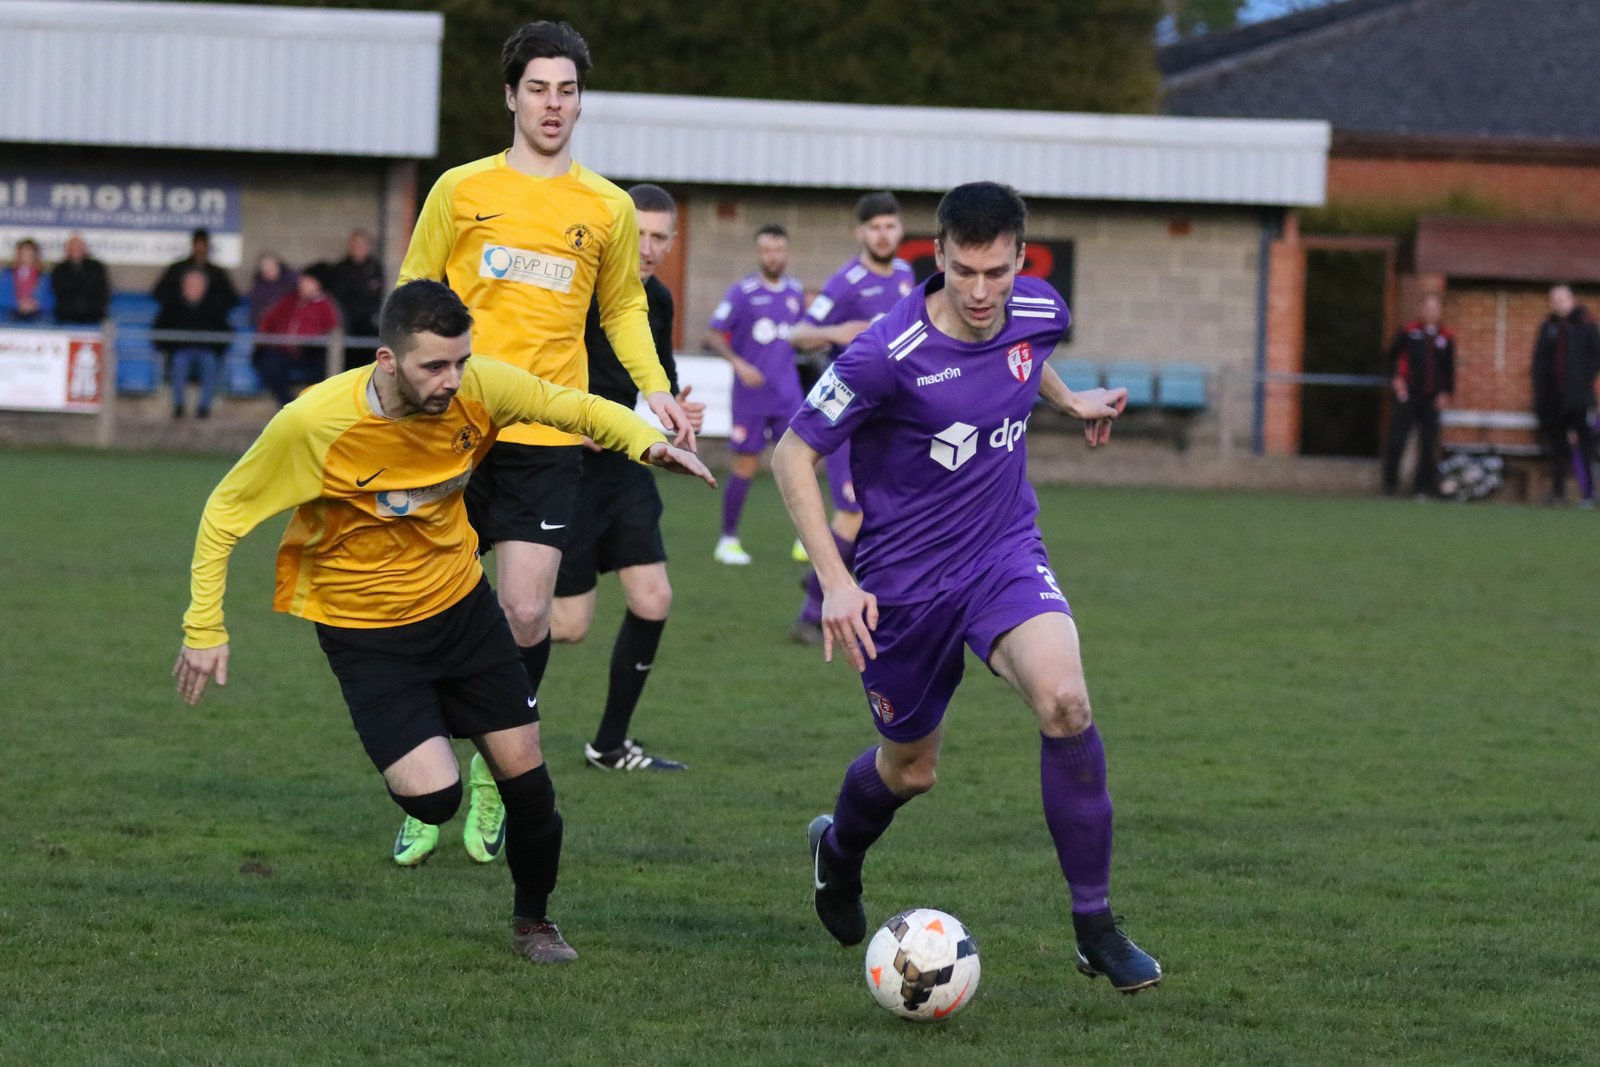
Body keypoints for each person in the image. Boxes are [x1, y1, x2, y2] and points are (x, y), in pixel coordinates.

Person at [171, 279, 713, 965]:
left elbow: (567, 404)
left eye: (459, 360)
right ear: (387, 360)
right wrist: (204, 627)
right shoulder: (314, 423)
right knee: (433, 800)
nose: (451, 379)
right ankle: (434, 737)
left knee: (530, 785)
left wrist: (647, 443)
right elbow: (225, 513)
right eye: (434, 365)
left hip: (461, 611)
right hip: (365, 634)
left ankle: (534, 921)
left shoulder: (478, 385)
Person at [773, 181, 1162, 995]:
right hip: (903, 584)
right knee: (911, 768)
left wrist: (1069, 398)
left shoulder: (1039, 309)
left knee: (1066, 701)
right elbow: (791, 454)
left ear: (1021, 259)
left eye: (998, 272)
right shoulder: (886, 351)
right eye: (964, 272)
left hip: (1002, 552)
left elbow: (1026, 363)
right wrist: (835, 581)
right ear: (937, 257)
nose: (982, 293)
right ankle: (836, 850)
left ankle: (1094, 926)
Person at [394, 19, 692, 863]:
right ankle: (427, 783)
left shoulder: (607, 206)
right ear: (511, 96)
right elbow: (414, 288)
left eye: (566, 90)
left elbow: (623, 309)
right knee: (423, 612)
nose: (553, 105)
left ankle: (495, 767)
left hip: (542, 438)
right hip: (453, 431)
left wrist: (656, 392)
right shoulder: (460, 189)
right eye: (538, 89)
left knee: (527, 610)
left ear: (579, 100)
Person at [551, 183, 703, 772]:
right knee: (565, 625)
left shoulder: (657, 299)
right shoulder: (578, 290)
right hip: (567, 470)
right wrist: (570, 419)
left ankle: (609, 746)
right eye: (637, 232)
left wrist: (676, 412)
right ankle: (465, 641)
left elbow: (657, 379)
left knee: (654, 597)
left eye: (660, 236)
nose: (648, 246)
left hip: (624, 465)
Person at [788, 192, 917, 644]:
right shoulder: (846, 282)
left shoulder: (905, 276)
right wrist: (834, 332)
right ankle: (810, 613)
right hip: (852, 414)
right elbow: (798, 333)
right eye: (874, 227)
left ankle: (834, 588)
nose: (883, 234)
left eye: (890, 226)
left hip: (895, 417)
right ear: (860, 233)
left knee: (878, 512)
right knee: (852, 511)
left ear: (899, 230)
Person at [704, 224, 807, 565]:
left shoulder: (795, 292)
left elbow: (806, 334)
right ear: (758, 253)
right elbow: (713, 334)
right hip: (750, 397)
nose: (773, 257)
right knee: (745, 466)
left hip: (788, 395)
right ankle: (728, 540)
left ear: (787, 253)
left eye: (778, 250)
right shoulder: (742, 292)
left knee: (798, 465)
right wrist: (738, 363)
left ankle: (804, 540)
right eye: (766, 250)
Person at [1380, 293, 1455, 498]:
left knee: (1428, 443)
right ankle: (1389, 485)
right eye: (1428, 308)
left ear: (1439, 312)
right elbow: (1390, 358)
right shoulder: (1408, 332)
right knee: (1397, 439)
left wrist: (1446, 392)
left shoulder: (1446, 337)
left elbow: (1449, 369)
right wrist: (1396, 380)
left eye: (1435, 309)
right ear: (1421, 310)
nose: (1431, 312)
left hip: (1432, 399)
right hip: (1408, 396)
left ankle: (1422, 488)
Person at [1532, 284, 1600, 507]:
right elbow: (1539, 362)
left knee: (1585, 445)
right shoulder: (1548, 327)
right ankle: (1558, 491)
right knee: (1557, 446)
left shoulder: (1586, 325)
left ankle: (1588, 493)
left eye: (1562, 300)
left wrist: (1583, 382)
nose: (1558, 305)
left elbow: (1595, 357)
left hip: (1579, 398)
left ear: (1571, 300)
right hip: (1553, 399)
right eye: (1555, 301)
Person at [153, 267, 233, 419]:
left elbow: (226, 333)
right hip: (180, 351)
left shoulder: (213, 307)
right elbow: (159, 331)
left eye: (197, 284)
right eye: (190, 284)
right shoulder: (172, 306)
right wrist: (169, 347)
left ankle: (204, 408)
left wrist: (216, 347)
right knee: (179, 361)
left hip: (206, 351)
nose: (193, 287)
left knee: (210, 362)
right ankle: (179, 406)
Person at [255, 267, 341, 407]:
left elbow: (333, 331)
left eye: (308, 281)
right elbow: (269, 319)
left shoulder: (326, 306)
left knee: (321, 372)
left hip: (310, 354)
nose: (302, 284)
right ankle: (289, 405)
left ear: (317, 284)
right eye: (302, 280)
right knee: (268, 364)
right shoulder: (289, 299)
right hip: (284, 352)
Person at [325, 229, 386, 365]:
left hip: (369, 323)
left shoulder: (375, 268)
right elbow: (337, 296)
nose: (358, 248)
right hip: (348, 321)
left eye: (362, 244)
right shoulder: (341, 268)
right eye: (355, 244)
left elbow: (376, 295)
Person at [153, 228, 238, 324]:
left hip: (209, 322)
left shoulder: (216, 273)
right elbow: (159, 293)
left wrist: (212, 308)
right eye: (197, 244)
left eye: (203, 245)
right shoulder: (176, 269)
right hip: (177, 320)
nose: (200, 248)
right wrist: (177, 306)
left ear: (207, 246)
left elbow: (231, 298)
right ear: (193, 245)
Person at [50, 234, 110, 325]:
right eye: (72, 247)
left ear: (85, 249)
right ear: (67, 249)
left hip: (93, 315)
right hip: (66, 316)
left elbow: (100, 291)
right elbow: (60, 290)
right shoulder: (59, 269)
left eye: (78, 246)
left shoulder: (96, 267)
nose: (75, 250)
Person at [2, 238, 52, 323]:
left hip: (38, 316)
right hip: (10, 314)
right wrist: (16, 304)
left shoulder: (45, 277)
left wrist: (37, 305)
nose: (26, 257)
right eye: (23, 254)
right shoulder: (5, 276)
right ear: (18, 255)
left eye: (30, 254)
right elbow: (2, 297)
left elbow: (52, 300)